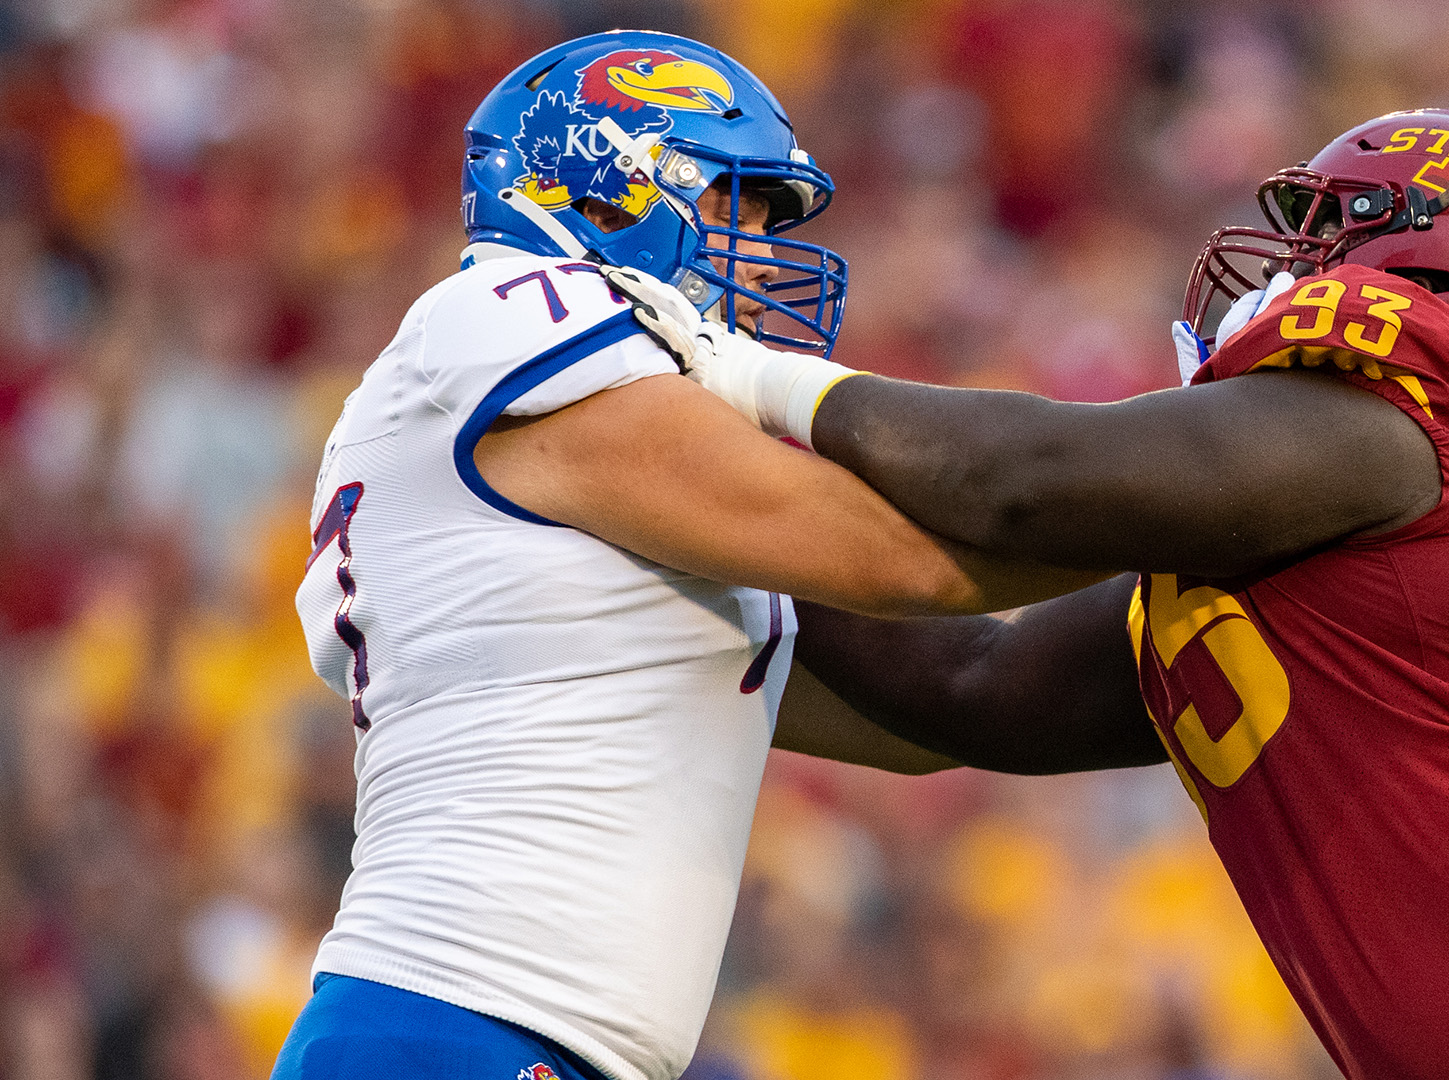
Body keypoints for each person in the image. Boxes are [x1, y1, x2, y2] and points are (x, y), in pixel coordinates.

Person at [636, 110, 1449, 1079]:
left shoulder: (1394, 430)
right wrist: (671, 537)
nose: (1284, 258)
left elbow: (1018, 484)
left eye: (1323, 227)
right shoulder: (1342, 543)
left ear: (1423, 263)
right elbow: (969, 687)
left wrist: (723, 376)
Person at [279, 31, 1087, 1080]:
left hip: (490, 1037)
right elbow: (910, 560)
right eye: (734, 203)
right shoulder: (497, 317)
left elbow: (952, 691)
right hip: (456, 1029)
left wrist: (1264, 580)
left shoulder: (613, 524)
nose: (756, 248)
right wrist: (1209, 496)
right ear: (601, 181)